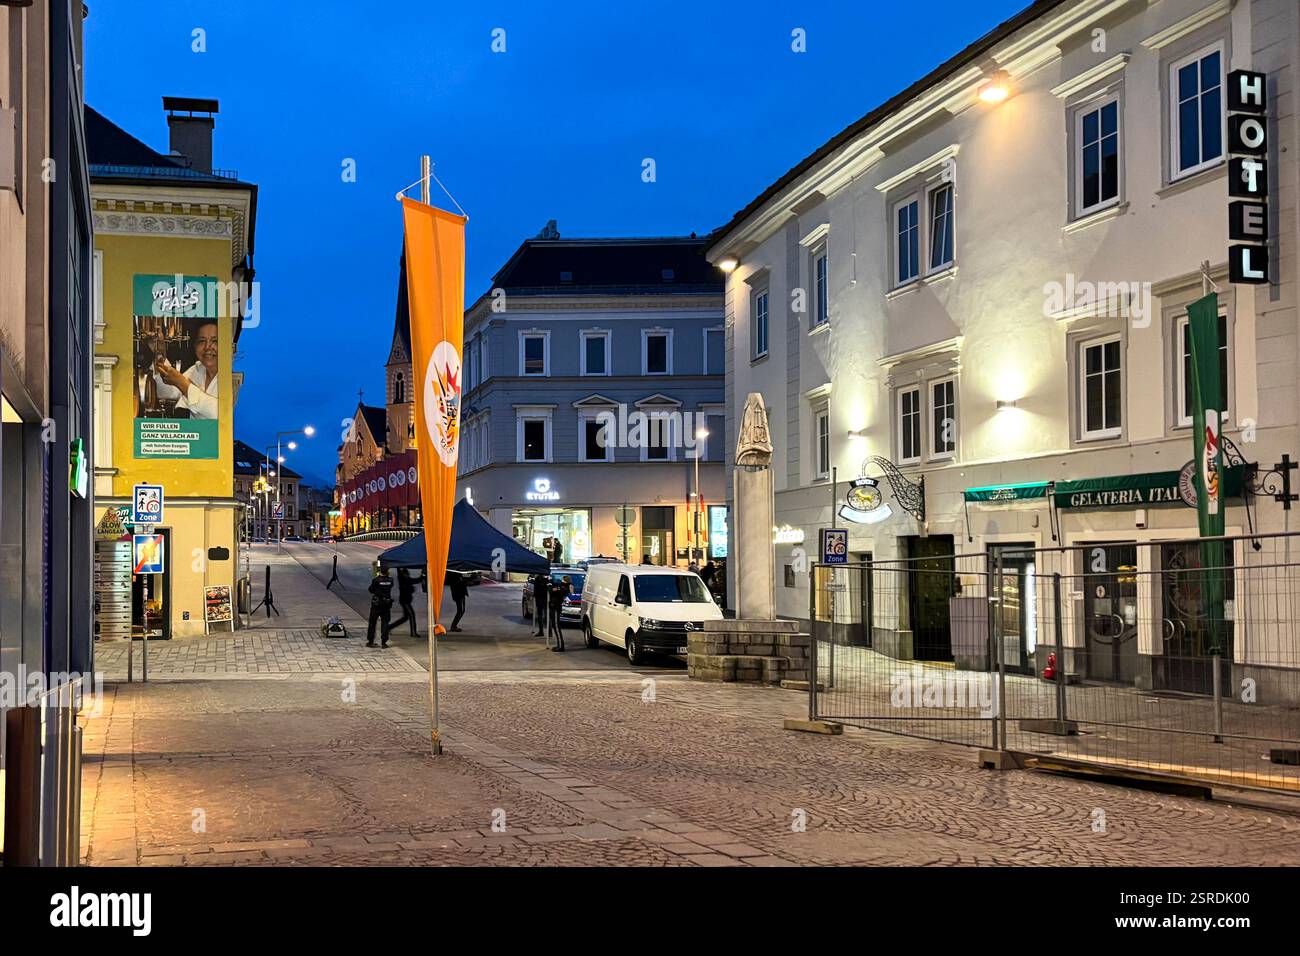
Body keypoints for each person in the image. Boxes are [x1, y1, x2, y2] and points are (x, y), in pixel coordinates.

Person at [152, 320, 219, 419]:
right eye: (201, 341)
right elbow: (169, 395)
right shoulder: (198, 369)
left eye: (215, 341)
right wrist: (159, 354)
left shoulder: (233, 372)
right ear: (194, 345)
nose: (207, 347)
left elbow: (223, 413)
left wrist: (183, 384)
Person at [367, 566, 394, 648]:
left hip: (376, 604)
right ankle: (384, 642)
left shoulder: (375, 580)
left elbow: (371, 590)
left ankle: (371, 641)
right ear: (387, 571)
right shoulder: (391, 580)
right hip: (386, 605)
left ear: (379, 571)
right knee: (385, 623)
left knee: (372, 623)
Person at [390, 568, 418, 637]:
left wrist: (423, 575)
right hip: (404, 601)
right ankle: (413, 632)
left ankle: (389, 627)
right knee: (411, 615)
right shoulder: (402, 579)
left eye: (407, 574)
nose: (407, 575)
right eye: (406, 574)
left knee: (405, 617)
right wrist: (399, 566)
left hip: (406, 601)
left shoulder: (409, 580)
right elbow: (399, 571)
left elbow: (417, 580)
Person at [548, 575, 571, 651]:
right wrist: (550, 582)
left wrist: (550, 585)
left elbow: (551, 591)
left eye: (562, 580)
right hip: (554, 607)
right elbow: (554, 586)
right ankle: (559, 645)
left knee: (557, 626)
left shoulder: (564, 588)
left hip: (555, 608)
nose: (561, 581)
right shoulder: (562, 586)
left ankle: (561, 646)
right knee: (555, 626)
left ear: (564, 580)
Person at [532, 571, 550, 638]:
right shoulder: (548, 579)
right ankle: (550, 632)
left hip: (539, 599)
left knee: (540, 615)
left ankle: (541, 631)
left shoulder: (537, 579)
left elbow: (535, 589)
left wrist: (535, 595)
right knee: (547, 615)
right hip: (546, 598)